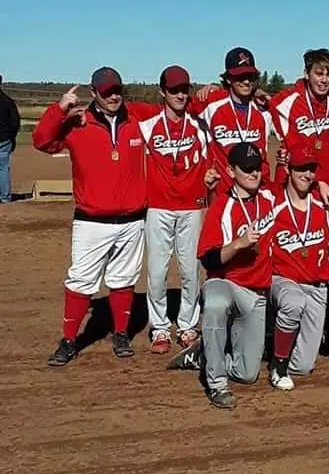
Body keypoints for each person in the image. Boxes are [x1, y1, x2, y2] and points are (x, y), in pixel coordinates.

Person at [32, 68, 147, 365]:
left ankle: (120, 333)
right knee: (82, 280)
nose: (113, 96)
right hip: (91, 220)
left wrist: (208, 91)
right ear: (94, 93)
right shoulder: (77, 123)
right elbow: (42, 141)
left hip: (133, 219)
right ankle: (69, 339)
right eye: (106, 91)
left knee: (124, 279)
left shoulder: (136, 120)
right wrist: (60, 109)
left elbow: (175, 105)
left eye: (117, 90)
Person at [168, 142, 276, 409]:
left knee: (247, 373)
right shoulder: (222, 206)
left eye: (257, 168)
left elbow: (298, 185)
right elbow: (207, 257)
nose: (254, 174)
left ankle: (203, 356)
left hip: (257, 292)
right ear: (231, 170)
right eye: (246, 169)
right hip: (226, 283)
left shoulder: (271, 197)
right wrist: (237, 245)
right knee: (215, 303)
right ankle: (216, 383)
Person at [136, 65, 213, 354]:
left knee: (190, 269)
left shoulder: (199, 126)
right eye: (174, 90)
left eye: (184, 89)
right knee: (157, 271)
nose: (180, 95)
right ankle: (159, 328)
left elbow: (212, 158)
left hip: (192, 207)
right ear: (163, 93)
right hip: (158, 207)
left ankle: (187, 325)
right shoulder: (148, 125)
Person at [268, 144, 329, 391]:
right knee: (293, 301)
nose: (307, 175)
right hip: (283, 281)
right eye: (301, 169)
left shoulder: (323, 203)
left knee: (304, 367)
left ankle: (274, 343)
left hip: (316, 288)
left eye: (311, 170)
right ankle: (279, 364)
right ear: (289, 170)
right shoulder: (273, 200)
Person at [197, 47, 273, 185]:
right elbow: (178, 103)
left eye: (250, 76)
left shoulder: (264, 108)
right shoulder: (211, 103)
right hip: (223, 193)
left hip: (258, 192)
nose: (246, 82)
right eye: (240, 76)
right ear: (228, 79)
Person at [271, 49, 329, 185]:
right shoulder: (285, 102)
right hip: (294, 182)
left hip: (326, 183)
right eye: (319, 74)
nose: (324, 80)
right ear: (306, 74)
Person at [0, 75, 20, 204]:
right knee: (3, 168)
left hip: (4, 138)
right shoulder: (7, 101)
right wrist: (11, 136)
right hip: (4, 138)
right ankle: (5, 196)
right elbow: (15, 122)